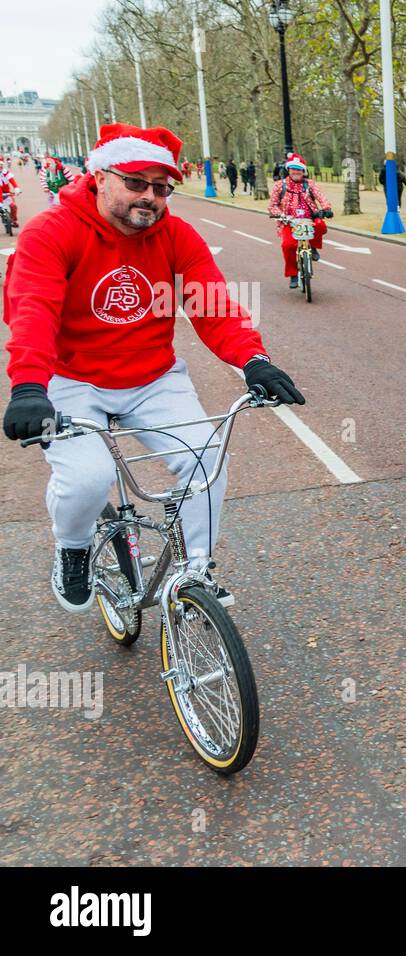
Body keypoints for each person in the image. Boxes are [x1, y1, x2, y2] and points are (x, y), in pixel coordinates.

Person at [1, 123, 305, 613]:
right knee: (87, 477)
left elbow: (212, 304)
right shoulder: (51, 232)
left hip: (153, 378)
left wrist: (254, 359)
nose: (151, 197)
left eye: (162, 188)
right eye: (137, 183)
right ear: (100, 177)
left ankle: (195, 573)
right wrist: (29, 387)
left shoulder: (176, 236)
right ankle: (73, 547)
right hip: (70, 378)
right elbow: (32, 309)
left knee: (206, 459)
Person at [266, 153, 333, 289]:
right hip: (289, 222)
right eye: (293, 168)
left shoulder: (309, 184)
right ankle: (293, 274)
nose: (296, 171)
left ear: (303, 171)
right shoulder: (280, 185)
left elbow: (321, 197)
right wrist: (281, 215)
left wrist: (326, 208)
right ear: (288, 170)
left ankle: (313, 247)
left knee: (321, 226)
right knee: (288, 246)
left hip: (309, 219)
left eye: (299, 169)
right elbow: (272, 205)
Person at [0, 162, 19, 228]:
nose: (0, 166)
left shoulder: (6, 173)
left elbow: (12, 180)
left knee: (13, 206)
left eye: (1, 165)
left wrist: (16, 188)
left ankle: (14, 221)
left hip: (7, 193)